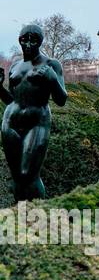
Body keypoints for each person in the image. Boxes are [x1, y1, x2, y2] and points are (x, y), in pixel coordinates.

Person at [1, 24, 68, 201]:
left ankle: (38, 213)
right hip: (10, 122)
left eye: (33, 40)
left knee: (28, 174)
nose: (28, 43)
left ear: (40, 42)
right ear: (19, 41)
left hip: (36, 123)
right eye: (24, 39)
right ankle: (19, 215)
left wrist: (52, 79)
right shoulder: (15, 66)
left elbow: (61, 100)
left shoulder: (51, 64)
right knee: (17, 176)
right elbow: (13, 100)